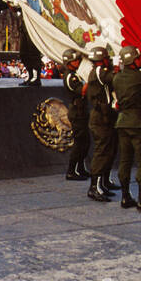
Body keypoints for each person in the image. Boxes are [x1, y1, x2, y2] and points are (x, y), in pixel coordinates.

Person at [112, 45, 141, 212]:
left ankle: (125, 196)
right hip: (139, 123)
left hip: (122, 122)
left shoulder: (117, 78)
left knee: (125, 160)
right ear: (134, 60)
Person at [85, 44, 119, 202]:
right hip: (101, 118)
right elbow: (114, 80)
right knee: (102, 151)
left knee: (108, 150)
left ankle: (103, 182)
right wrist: (118, 67)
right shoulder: (100, 71)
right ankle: (94, 187)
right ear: (102, 60)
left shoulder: (97, 71)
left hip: (105, 116)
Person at [60, 48, 90, 181]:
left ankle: (81, 168)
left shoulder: (75, 74)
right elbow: (81, 91)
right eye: (76, 60)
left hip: (82, 110)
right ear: (69, 62)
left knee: (85, 142)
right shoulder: (70, 77)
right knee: (79, 142)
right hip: (76, 112)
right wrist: (91, 79)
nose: (78, 62)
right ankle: (71, 170)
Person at [18, 9, 42, 86]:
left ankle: (36, 78)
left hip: (33, 25)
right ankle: (30, 75)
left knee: (33, 52)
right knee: (23, 53)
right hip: (24, 25)